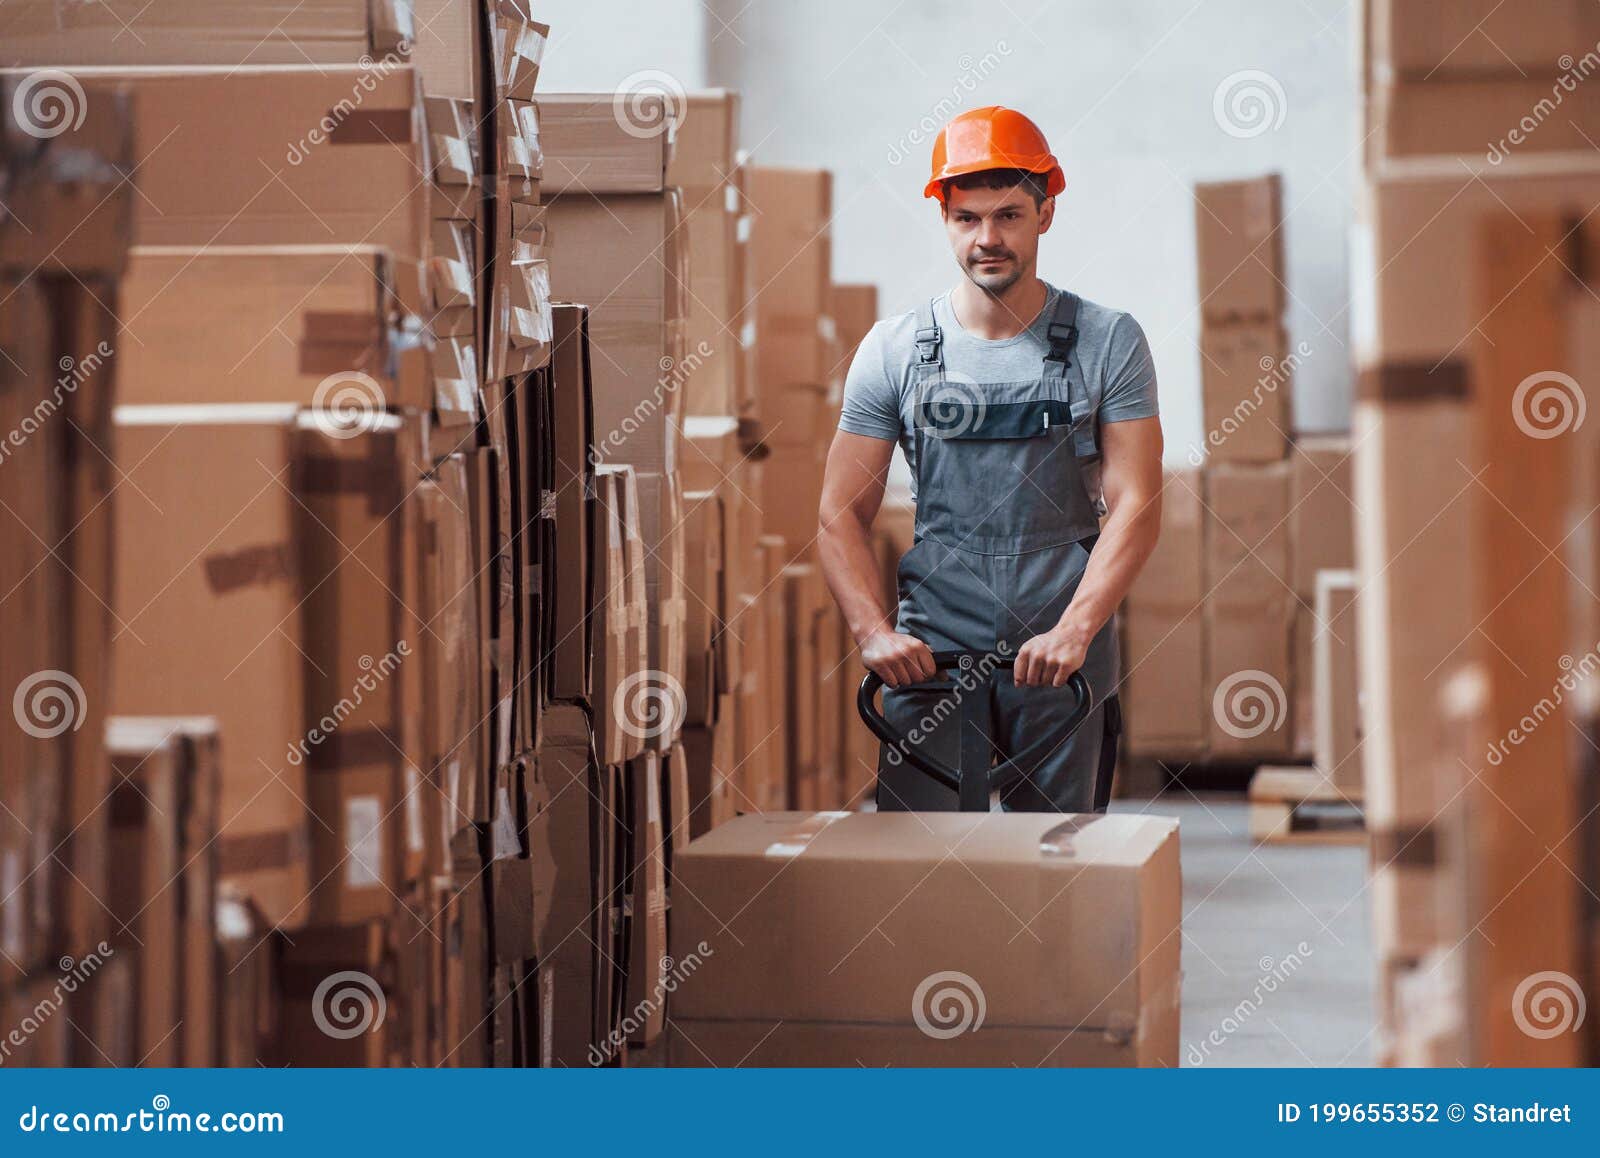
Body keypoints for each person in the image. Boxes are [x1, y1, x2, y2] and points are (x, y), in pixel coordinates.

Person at [818, 105, 1164, 813]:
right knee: (922, 858)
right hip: (934, 656)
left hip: (1059, 653)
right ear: (944, 219)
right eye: (967, 218)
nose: (987, 239)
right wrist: (874, 633)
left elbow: (1138, 502)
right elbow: (839, 513)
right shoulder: (894, 350)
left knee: (1057, 857)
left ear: (1046, 214)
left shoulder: (1108, 341)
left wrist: (1075, 630)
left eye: (1008, 215)